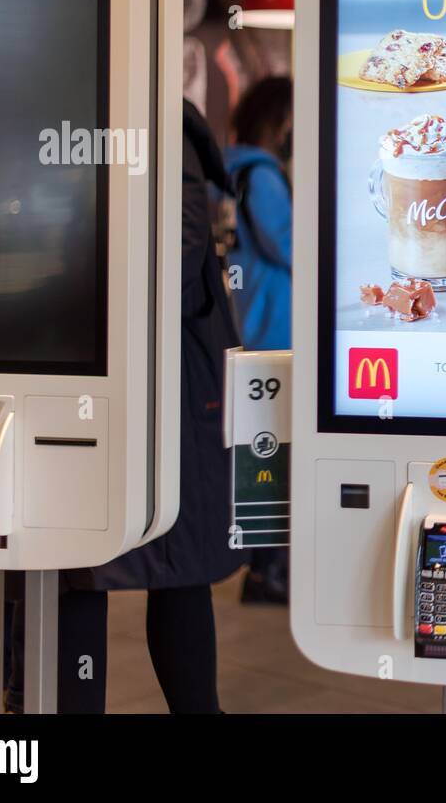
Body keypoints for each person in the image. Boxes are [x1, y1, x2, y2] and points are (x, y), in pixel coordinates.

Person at [57, 101, 244, 712]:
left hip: (165, 386)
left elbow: (180, 261)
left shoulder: (156, 121)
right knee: (81, 566)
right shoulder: (144, 117)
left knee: (160, 568)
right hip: (136, 376)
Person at [224, 77, 293, 605]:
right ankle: (269, 569)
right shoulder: (262, 174)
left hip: (248, 322)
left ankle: (263, 563)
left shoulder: (226, 168)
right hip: (277, 326)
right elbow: (291, 246)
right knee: (276, 450)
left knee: (259, 450)